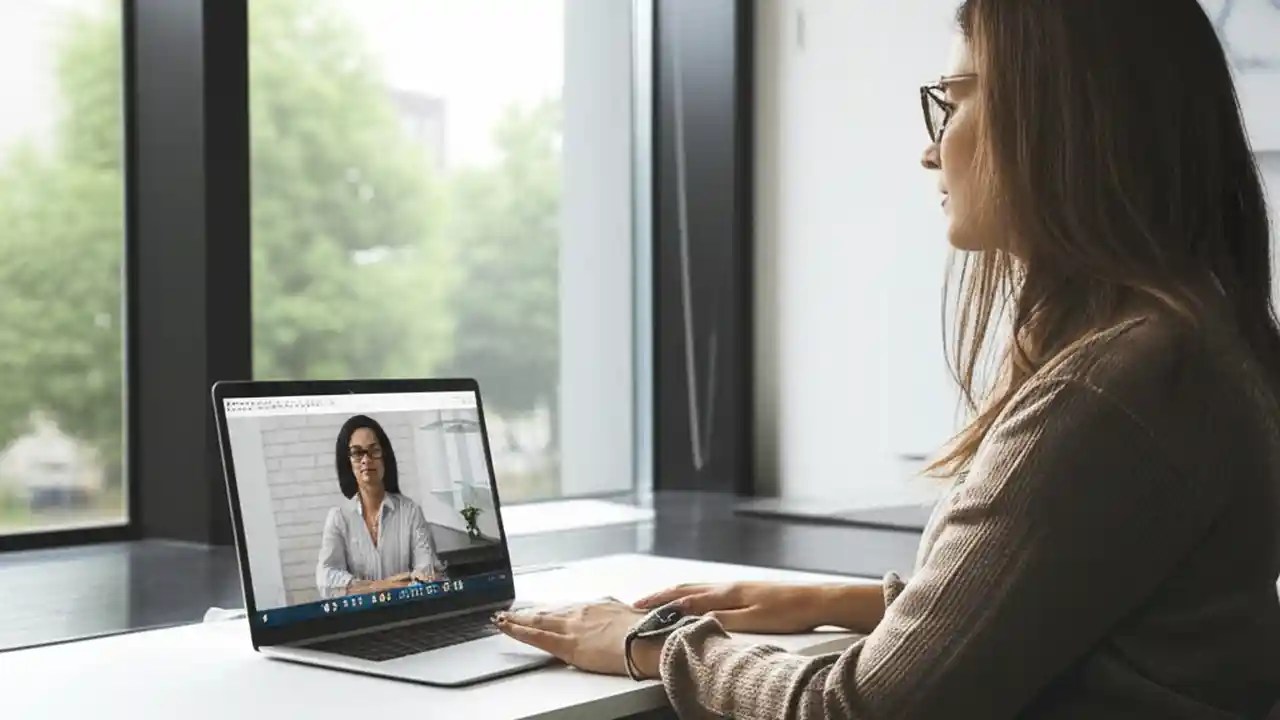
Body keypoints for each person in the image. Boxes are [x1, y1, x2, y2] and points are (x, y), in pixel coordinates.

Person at [493, 0, 1280, 716]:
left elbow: (862, 708)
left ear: (1052, 115)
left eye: (953, 100)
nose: (931, 151)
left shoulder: (1111, 391)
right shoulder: (1197, 343)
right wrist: (828, 601)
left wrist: (650, 642)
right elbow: (1073, 608)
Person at [316, 415, 443, 598]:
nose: (366, 460)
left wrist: (355, 587)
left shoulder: (410, 511)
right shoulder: (338, 518)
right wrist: (387, 584)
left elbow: (428, 574)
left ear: (385, 457)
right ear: (348, 463)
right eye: (357, 453)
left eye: (374, 451)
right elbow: (326, 581)